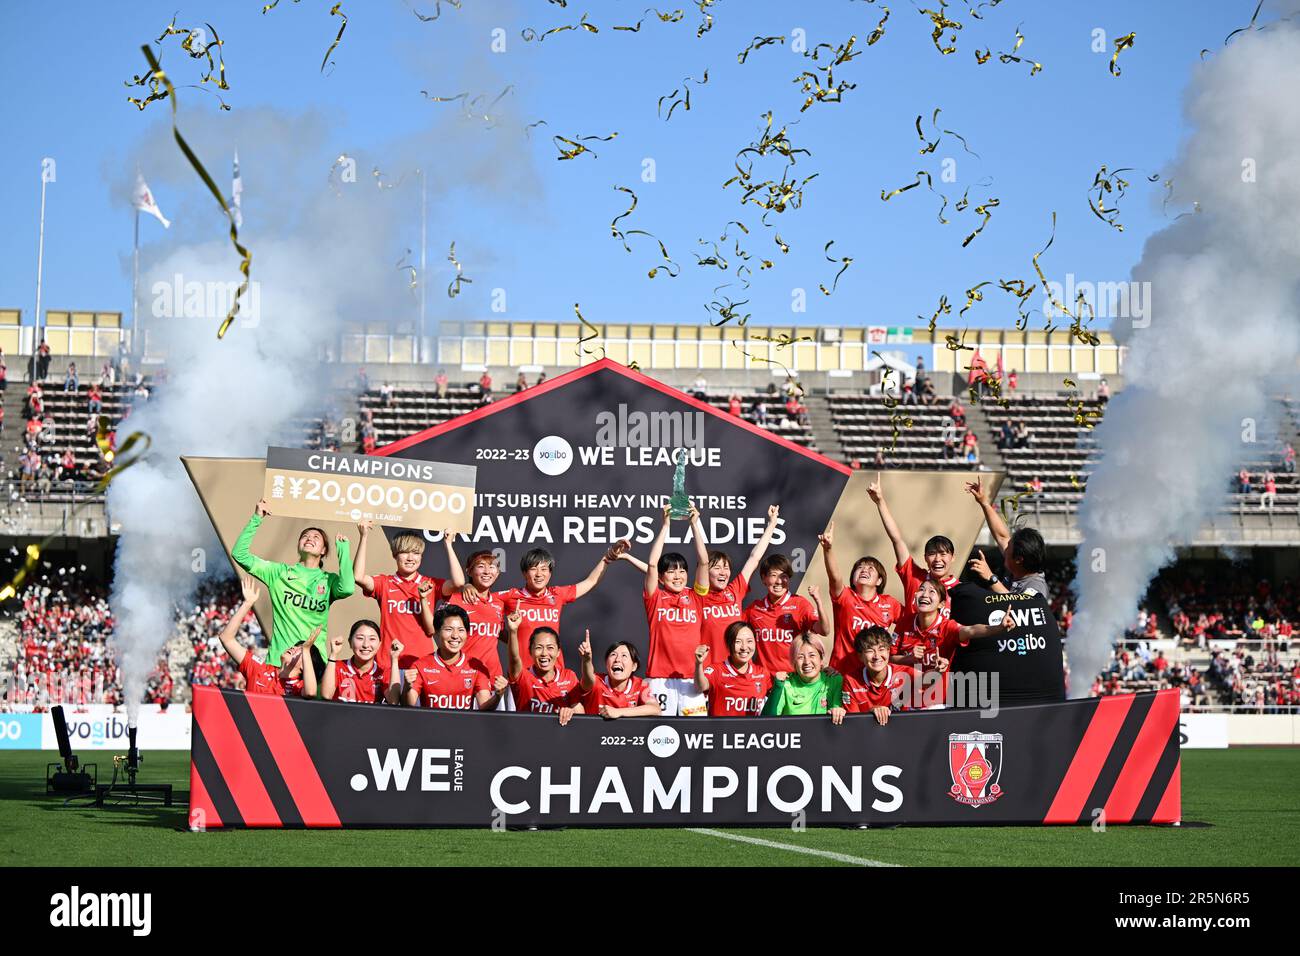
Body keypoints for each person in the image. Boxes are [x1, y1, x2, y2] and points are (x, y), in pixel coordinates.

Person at [618, 504, 781, 663]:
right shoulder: (696, 595)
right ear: (704, 572)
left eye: (726, 568)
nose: (723, 572)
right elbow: (659, 574)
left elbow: (754, 558)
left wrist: (772, 525)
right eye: (717, 568)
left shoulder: (735, 590)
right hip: (706, 670)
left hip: (734, 667)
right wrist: (629, 558)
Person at [231, 498, 355, 664]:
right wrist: (257, 518)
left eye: (316, 537)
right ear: (298, 545)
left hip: (313, 667)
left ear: (324, 550)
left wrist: (343, 551)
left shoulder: (328, 580)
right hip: (279, 663)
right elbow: (240, 554)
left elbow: (347, 588)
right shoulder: (278, 573)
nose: (309, 538)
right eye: (305, 536)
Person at [497, 540, 628, 669]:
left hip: (555, 674)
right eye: (533, 569)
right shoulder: (511, 596)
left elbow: (590, 581)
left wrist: (607, 557)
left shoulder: (557, 594)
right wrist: (513, 638)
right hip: (522, 674)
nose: (539, 574)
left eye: (544, 569)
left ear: (550, 573)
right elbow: (482, 603)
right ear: (525, 573)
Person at [354, 521, 464, 672]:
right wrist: (364, 537)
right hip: (388, 662)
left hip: (420, 664)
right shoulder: (385, 583)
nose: (410, 558)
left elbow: (458, 582)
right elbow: (358, 577)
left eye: (416, 553)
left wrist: (448, 545)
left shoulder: (430, 584)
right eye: (405, 552)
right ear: (395, 555)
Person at [891, 578, 1015, 707]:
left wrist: (998, 628)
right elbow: (890, 659)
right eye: (921, 590)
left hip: (936, 703)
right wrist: (908, 658)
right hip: (904, 699)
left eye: (931, 591)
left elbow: (970, 630)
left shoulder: (947, 627)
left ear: (941, 604)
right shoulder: (904, 623)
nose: (925, 594)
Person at [642, 505, 710, 716]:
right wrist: (665, 525)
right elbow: (652, 565)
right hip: (659, 679)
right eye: (671, 572)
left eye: (682, 571)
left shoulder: (696, 596)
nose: (678, 575)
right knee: (658, 735)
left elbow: (704, 561)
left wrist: (694, 524)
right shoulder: (655, 598)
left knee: (695, 736)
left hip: (691, 680)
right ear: (662, 578)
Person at [868, 472, 960, 618]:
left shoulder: (960, 590)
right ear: (925, 558)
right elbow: (897, 539)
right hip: (907, 640)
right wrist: (880, 502)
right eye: (932, 554)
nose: (937, 559)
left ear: (953, 557)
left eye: (943, 554)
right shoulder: (915, 577)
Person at [818, 520, 903, 671]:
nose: (864, 570)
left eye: (871, 568)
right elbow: (835, 578)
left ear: (879, 580)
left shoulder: (890, 604)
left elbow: (911, 623)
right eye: (860, 568)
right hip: (841, 673)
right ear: (853, 578)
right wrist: (828, 549)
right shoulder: (845, 597)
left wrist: (895, 650)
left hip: (873, 673)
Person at [217, 576, 318, 697]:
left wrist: (306, 650)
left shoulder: (298, 687)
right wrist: (247, 603)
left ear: (304, 666)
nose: (294, 648)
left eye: (300, 650)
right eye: (297, 646)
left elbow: (311, 692)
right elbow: (226, 639)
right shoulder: (260, 669)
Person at [396, 605, 508, 710]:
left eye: (461, 630)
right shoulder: (420, 665)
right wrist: (407, 686)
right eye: (449, 629)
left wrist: (498, 696)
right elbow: (408, 705)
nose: (455, 636)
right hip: (430, 729)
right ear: (437, 633)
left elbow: (484, 706)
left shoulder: (476, 666)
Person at [743, 553, 828, 676]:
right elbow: (731, 627)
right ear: (763, 578)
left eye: (784, 576)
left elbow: (824, 630)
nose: (779, 581)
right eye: (773, 575)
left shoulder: (800, 604)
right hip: (764, 680)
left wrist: (818, 601)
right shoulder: (755, 608)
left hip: (793, 679)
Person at [965, 478, 1050, 599]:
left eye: (1008, 548)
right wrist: (984, 503)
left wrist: (991, 578)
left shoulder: (1036, 586)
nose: (1005, 548)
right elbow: (1002, 536)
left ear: (1019, 559)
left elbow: (1020, 606)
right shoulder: (1018, 567)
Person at [504, 612, 583, 723]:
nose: (544, 653)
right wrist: (513, 632)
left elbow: (580, 715)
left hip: (560, 738)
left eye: (550, 648)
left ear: (558, 652)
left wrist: (570, 712)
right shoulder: (523, 677)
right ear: (530, 651)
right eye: (539, 648)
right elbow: (514, 659)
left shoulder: (569, 676)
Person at [838, 626, 918, 725]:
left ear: (888, 651)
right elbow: (853, 724)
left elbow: (931, 681)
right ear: (860, 656)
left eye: (881, 649)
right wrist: (871, 711)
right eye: (870, 651)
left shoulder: (905, 673)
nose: (876, 656)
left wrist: (939, 670)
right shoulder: (851, 680)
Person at [761, 634, 846, 722]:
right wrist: (777, 687)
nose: (807, 662)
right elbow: (766, 722)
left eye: (812, 655)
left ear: (821, 658)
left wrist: (838, 711)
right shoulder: (786, 684)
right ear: (794, 662)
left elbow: (837, 715)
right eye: (800, 657)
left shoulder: (834, 680)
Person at [693, 622, 771, 716]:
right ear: (729, 644)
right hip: (721, 730)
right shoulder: (716, 670)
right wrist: (699, 664)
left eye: (749, 641)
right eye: (738, 642)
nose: (744, 647)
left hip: (752, 730)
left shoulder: (762, 673)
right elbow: (700, 687)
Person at [578, 637, 661, 719]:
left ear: (634, 666)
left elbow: (655, 709)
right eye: (613, 654)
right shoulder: (597, 682)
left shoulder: (640, 685)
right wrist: (587, 660)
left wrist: (618, 712)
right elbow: (588, 678)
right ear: (606, 663)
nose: (617, 659)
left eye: (624, 655)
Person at [320, 620, 397, 704]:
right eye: (360, 638)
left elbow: (393, 701)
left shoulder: (383, 672)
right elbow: (326, 695)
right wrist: (333, 654)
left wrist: (395, 659)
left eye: (372, 639)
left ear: (379, 645)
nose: (366, 645)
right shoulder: (338, 667)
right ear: (350, 642)